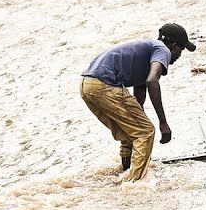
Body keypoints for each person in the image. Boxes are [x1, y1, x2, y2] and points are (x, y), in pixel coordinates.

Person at [80, 23, 195, 180]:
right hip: (105, 85)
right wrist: (163, 122)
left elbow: (141, 86)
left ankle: (125, 168)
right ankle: (135, 182)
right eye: (180, 51)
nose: (179, 56)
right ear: (174, 46)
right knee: (145, 132)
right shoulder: (162, 50)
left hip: (87, 85)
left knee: (131, 129)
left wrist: (137, 112)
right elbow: (152, 80)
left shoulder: (148, 48)